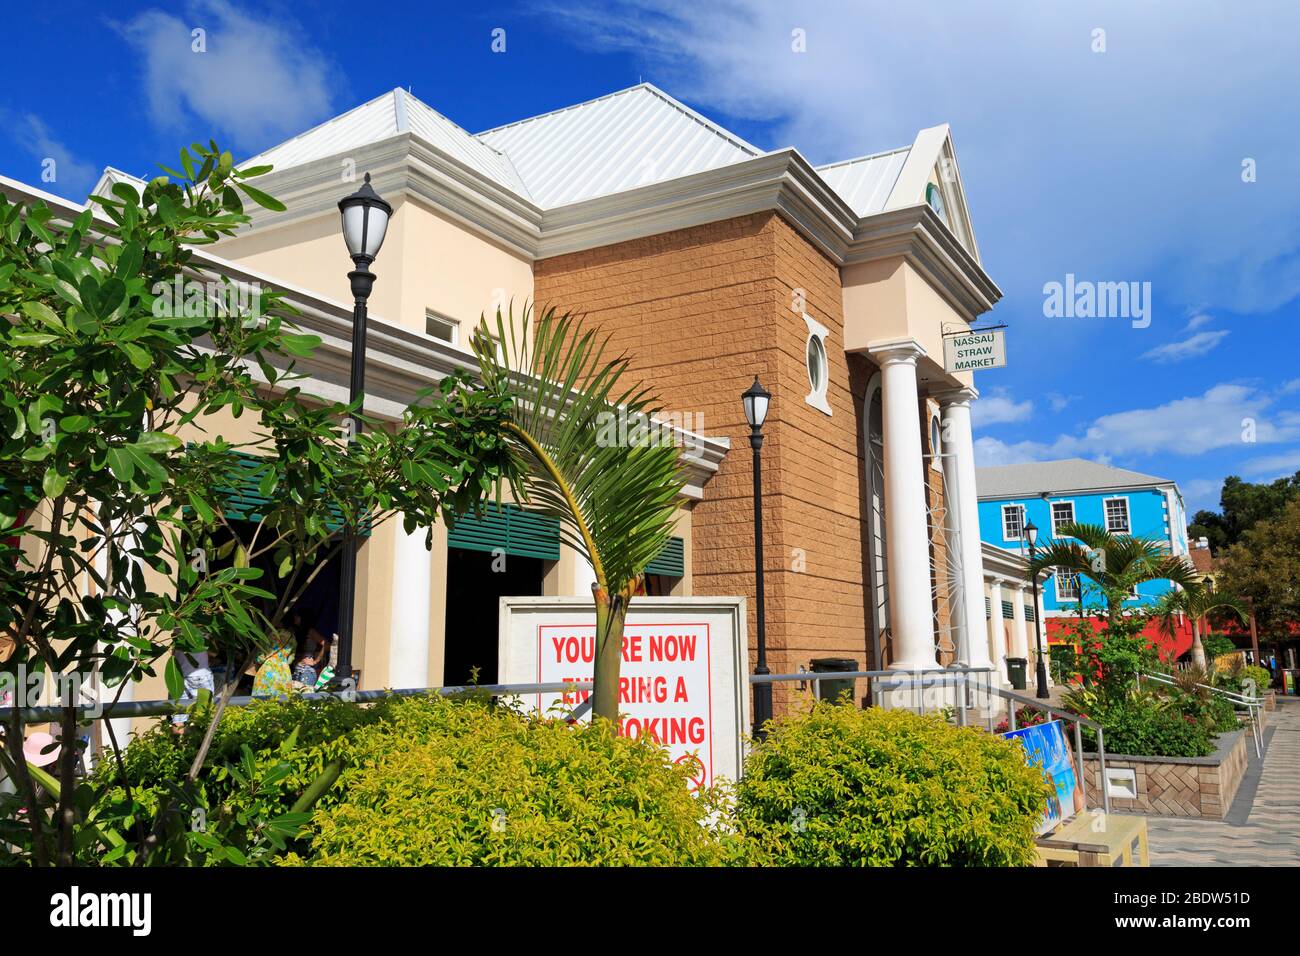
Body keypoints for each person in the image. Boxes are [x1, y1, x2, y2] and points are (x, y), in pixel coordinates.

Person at [170, 646, 214, 731]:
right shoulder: (206, 632)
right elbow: (213, 652)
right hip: (202, 675)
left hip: (179, 676)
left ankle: (178, 743)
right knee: (203, 716)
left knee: (177, 719)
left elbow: (173, 653)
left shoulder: (177, 633)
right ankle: (199, 742)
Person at [251, 628, 296, 698]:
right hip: (284, 672)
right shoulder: (293, 638)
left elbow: (260, 659)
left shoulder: (272, 635)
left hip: (268, 670)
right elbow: (290, 660)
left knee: (261, 701)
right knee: (279, 702)